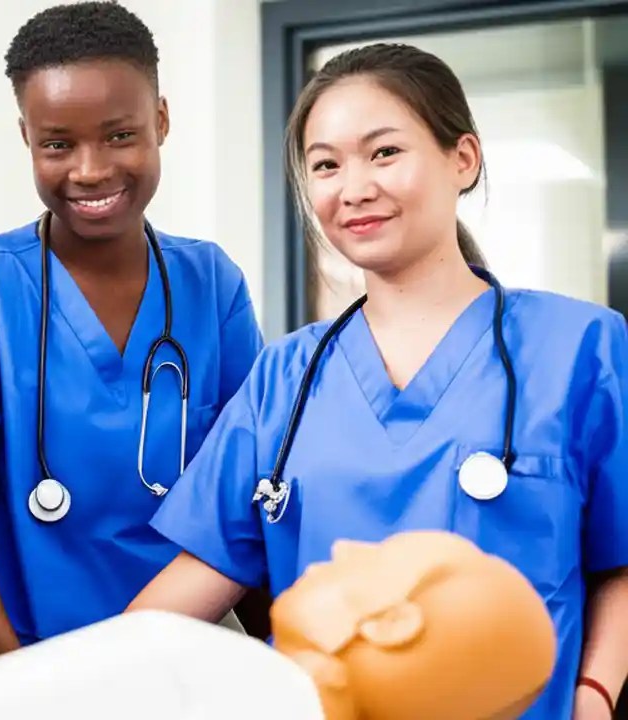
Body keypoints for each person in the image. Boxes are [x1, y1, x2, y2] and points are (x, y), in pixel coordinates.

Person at [128, 42, 628, 720]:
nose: (354, 187)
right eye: (326, 165)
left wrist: (594, 697)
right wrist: (49, 691)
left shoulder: (582, 347)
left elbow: (619, 566)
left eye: (384, 152)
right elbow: (188, 591)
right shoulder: (287, 376)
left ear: (464, 160)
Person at [0, 1, 263, 703]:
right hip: (6, 654)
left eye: (121, 135)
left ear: (161, 120)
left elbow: (243, 492)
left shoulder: (211, 286)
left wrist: (285, 657)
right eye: (57, 144)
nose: (90, 169)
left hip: (172, 666)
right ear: (26, 138)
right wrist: (19, 681)